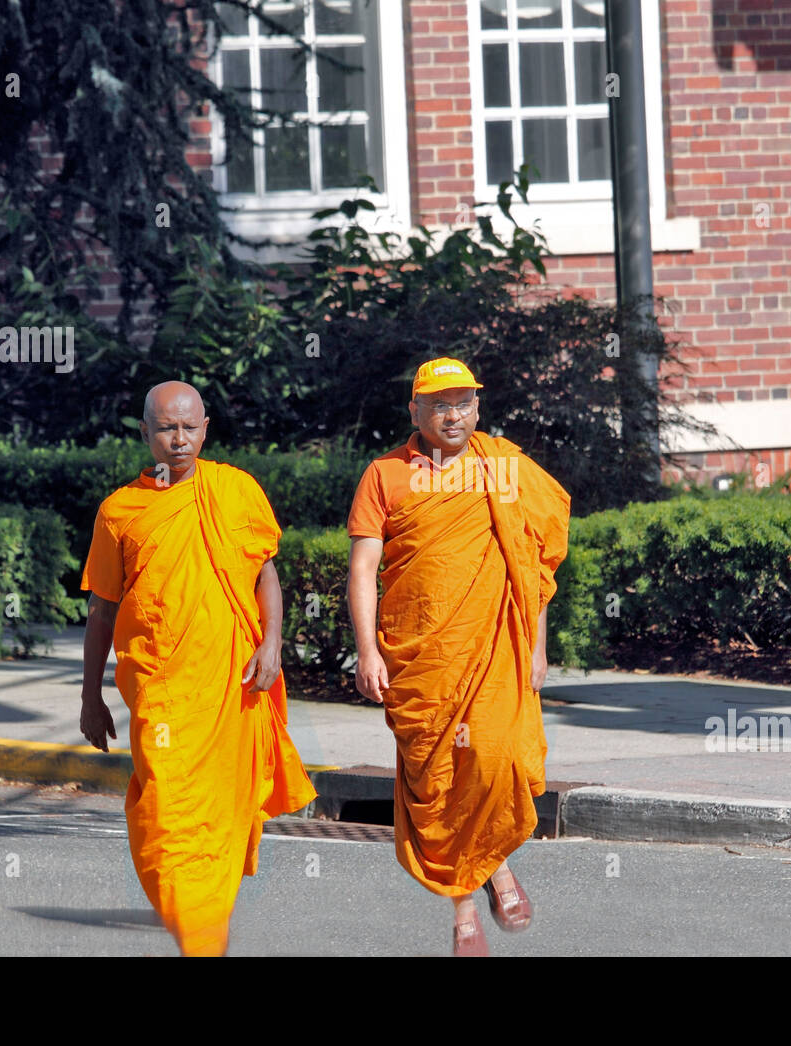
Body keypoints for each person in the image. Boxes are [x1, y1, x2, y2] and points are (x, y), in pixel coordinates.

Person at [79, 380, 316, 956]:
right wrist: (91, 696)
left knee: (223, 814)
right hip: (162, 693)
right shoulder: (121, 512)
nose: (179, 439)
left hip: (234, 684)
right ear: (145, 434)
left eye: (189, 427)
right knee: (163, 814)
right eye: (166, 428)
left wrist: (273, 644)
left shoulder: (235, 490)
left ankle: (203, 930)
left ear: (206, 428)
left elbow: (264, 575)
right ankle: (197, 921)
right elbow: (102, 610)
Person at [346, 357, 571, 956]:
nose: (454, 415)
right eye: (440, 405)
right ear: (414, 411)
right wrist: (366, 651)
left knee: (497, 763)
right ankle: (467, 903)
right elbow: (364, 570)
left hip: (494, 649)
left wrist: (536, 645)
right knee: (437, 783)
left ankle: (492, 865)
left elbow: (533, 566)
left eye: (464, 403)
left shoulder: (501, 467)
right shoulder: (384, 475)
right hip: (419, 659)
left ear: (478, 406)